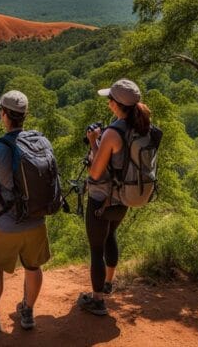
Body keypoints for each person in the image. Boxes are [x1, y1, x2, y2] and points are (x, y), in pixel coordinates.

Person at [0, 90, 51, 334]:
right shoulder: (42, 142)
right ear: (25, 115)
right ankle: (27, 312)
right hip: (36, 220)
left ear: (4, 115)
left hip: (5, 224)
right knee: (33, 267)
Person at [77, 79, 152, 315]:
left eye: (110, 98)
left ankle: (97, 299)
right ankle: (108, 283)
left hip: (102, 199)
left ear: (116, 104)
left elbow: (96, 172)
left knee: (96, 247)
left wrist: (93, 142)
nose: (108, 101)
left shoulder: (112, 133)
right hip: (124, 198)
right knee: (111, 235)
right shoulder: (141, 126)